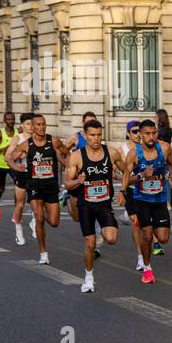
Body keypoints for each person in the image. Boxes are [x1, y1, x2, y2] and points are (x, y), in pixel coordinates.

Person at [63, 120, 126, 293]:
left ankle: (101, 230)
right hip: (86, 205)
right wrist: (78, 181)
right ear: (85, 135)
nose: (96, 139)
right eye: (92, 135)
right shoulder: (76, 156)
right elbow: (68, 184)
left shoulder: (111, 153)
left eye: (99, 135)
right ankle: (88, 278)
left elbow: (127, 170)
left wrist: (123, 191)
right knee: (90, 244)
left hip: (104, 204)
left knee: (112, 239)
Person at [121, 119, 172, 284]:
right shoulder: (134, 153)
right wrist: (139, 177)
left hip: (159, 199)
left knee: (163, 238)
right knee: (146, 235)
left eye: (154, 133)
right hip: (141, 199)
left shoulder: (164, 148)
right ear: (140, 135)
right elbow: (127, 177)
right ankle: (147, 269)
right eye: (147, 133)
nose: (151, 136)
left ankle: (152, 227)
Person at [6, 113, 69, 264]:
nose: (41, 127)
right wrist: (17, 167)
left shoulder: (53, 141)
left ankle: (41, 215)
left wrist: (70, 168)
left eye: (43, 124)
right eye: (38, 125)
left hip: (50, 185)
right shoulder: (27, 144)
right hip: (34, 185)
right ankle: (43, 253)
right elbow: (9, 157)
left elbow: (68, 154)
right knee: (39, 218)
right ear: (32, 127)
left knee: (54, 222)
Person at [4, 112, 35, 247]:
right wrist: (16, 166)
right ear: (22, 125)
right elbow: (7, 157)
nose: (31, 127)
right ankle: (18, 229)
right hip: (22, 174)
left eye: (33, 124)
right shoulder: (18, 139)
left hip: (36, 174)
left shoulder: (40, 138)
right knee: (20, 204)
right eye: (28, 124)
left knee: (37, 202)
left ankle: (34, 222)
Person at [119, 120, 146, 271]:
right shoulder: (122, 150)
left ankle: (147, 250)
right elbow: (120, 171)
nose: (137, 135)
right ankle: (140, 257)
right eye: (134, 132)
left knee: (146, 225)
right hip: (131, 189)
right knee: (136, 223)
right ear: (128, 133)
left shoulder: (147, 147)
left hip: (147, 190)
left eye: (139, 131)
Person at [0, 110, 18, 221]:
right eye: (9, 119)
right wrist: (4, 148)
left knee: (18, 186)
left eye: (13, 119)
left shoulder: (18, 131)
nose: (11, 121)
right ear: (4, 121)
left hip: (14, 164)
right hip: (1, 164)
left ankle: (16, 211)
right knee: (1, 188)